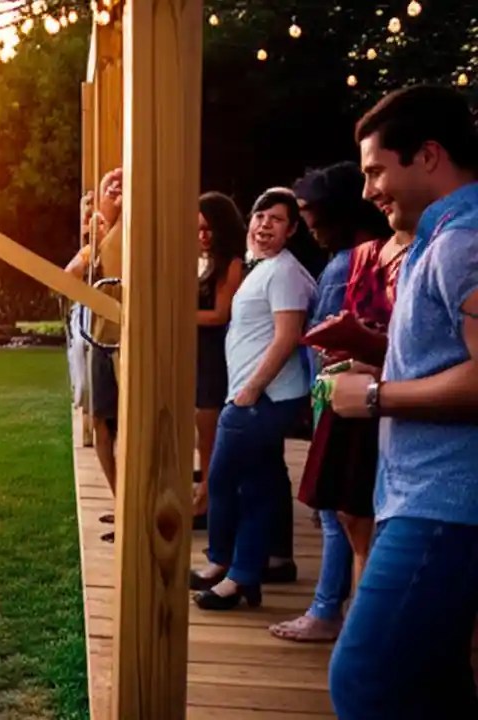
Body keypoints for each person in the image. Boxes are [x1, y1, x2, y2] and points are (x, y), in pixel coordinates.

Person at [327, 84, 478, 718]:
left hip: (443, 506)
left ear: (429, 155)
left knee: (362, 677)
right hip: (425, 499)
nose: (367, 191)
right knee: (434, 687)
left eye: (376, 171)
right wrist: (381, 360)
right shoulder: (440, 238)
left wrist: (378, 395)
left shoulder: (461, 242)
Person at [269, 161, 397, 643]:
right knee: (347, 513)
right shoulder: (361, 255)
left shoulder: (350, 261)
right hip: (347, 395)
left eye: (311, 214)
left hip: (346, 397)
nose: (310, 226)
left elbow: (337, 338)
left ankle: (330, 611)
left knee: (340, 512)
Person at [189, 188, 316, 611]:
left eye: (277, 220)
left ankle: (230, 568)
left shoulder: (285, 273)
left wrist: (251, 389)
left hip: (264, 398)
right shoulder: (263, 267)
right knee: (256, 485)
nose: (265, 225)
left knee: (225, 479)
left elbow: (286, 338)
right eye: (260, 215)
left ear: (292, 230)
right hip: (252, 395)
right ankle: (237, 571)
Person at [66, 168, 124, 542]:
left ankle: (133, 508)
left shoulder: (137, 229)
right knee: (102, 423)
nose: (116, 186)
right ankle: (121, 503)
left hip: (130, 343)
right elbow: (69, 277)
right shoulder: (100, 239)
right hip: (102, 341)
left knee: (130, 427)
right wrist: (93, 238)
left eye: (123, 181)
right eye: (110, 184)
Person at [192, 192, 247, 526]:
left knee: (209, 426)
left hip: (215, 351)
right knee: (201, 428)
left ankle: (208, 500)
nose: (203, 236)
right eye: (198, 229)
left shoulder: (232, 263)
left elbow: (219, 314)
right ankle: (204, 493)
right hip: (198, 352)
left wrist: (177, 314)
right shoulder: (202, 260)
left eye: (209, 229)